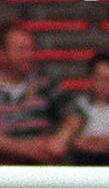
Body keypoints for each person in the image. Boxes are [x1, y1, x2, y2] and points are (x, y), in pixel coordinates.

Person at [0, 19, 81, 166]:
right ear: (2, 54)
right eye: (21, 50)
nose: (29, 55)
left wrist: (60, 140)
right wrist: (25, 149)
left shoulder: (46, 86)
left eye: (31, 49)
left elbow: (75, 116)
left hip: (41, 176)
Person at [70, 53, 109, 167]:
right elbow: (75, 141)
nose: (104, 84)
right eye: (100, 78)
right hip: (85, 160)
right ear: (90, 79)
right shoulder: (79, 105)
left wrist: (93, 141)